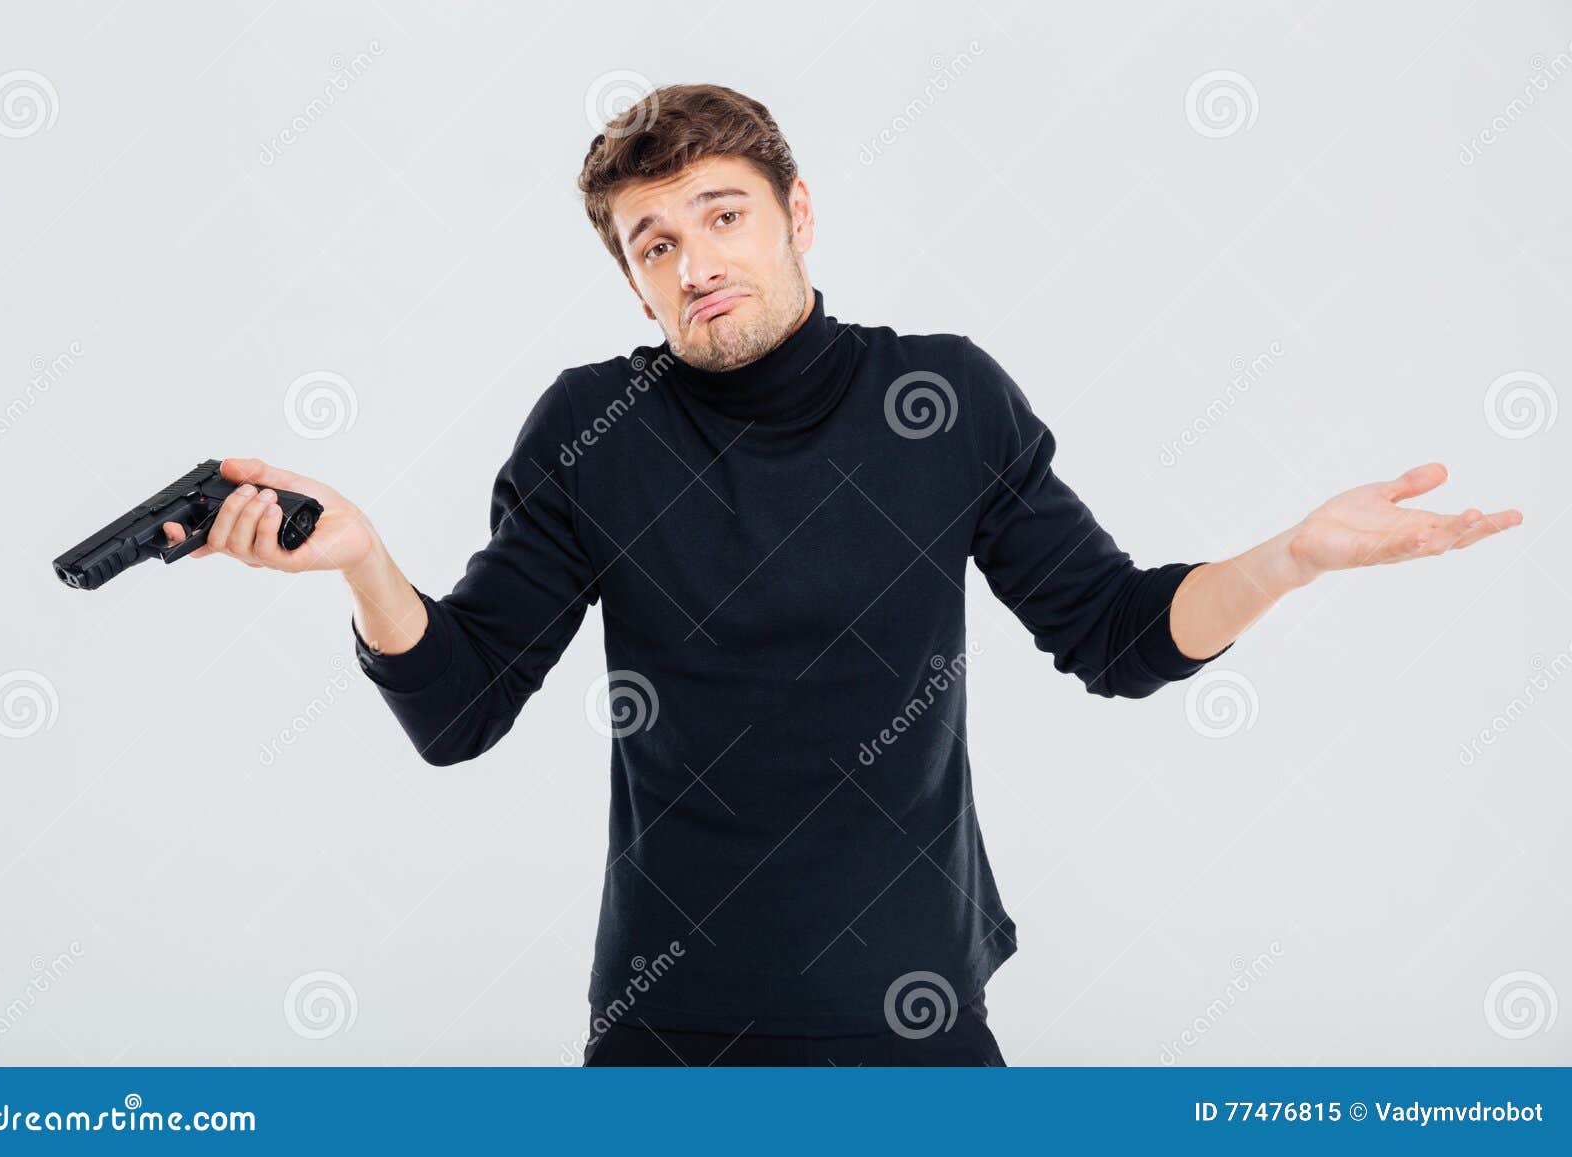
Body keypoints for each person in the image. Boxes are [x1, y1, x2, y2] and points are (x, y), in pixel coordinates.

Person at [163, 84, 1521, 1066]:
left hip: (912, 1009)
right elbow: (457, 708)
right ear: (632, 283)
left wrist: (1286, 557)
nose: (696, 264)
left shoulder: (942, 395)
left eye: (721, 215)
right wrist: (362, 560)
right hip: (668, 1022)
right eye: (655, 244)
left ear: (797, 211)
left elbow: (1114, 634)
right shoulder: (595, 434)